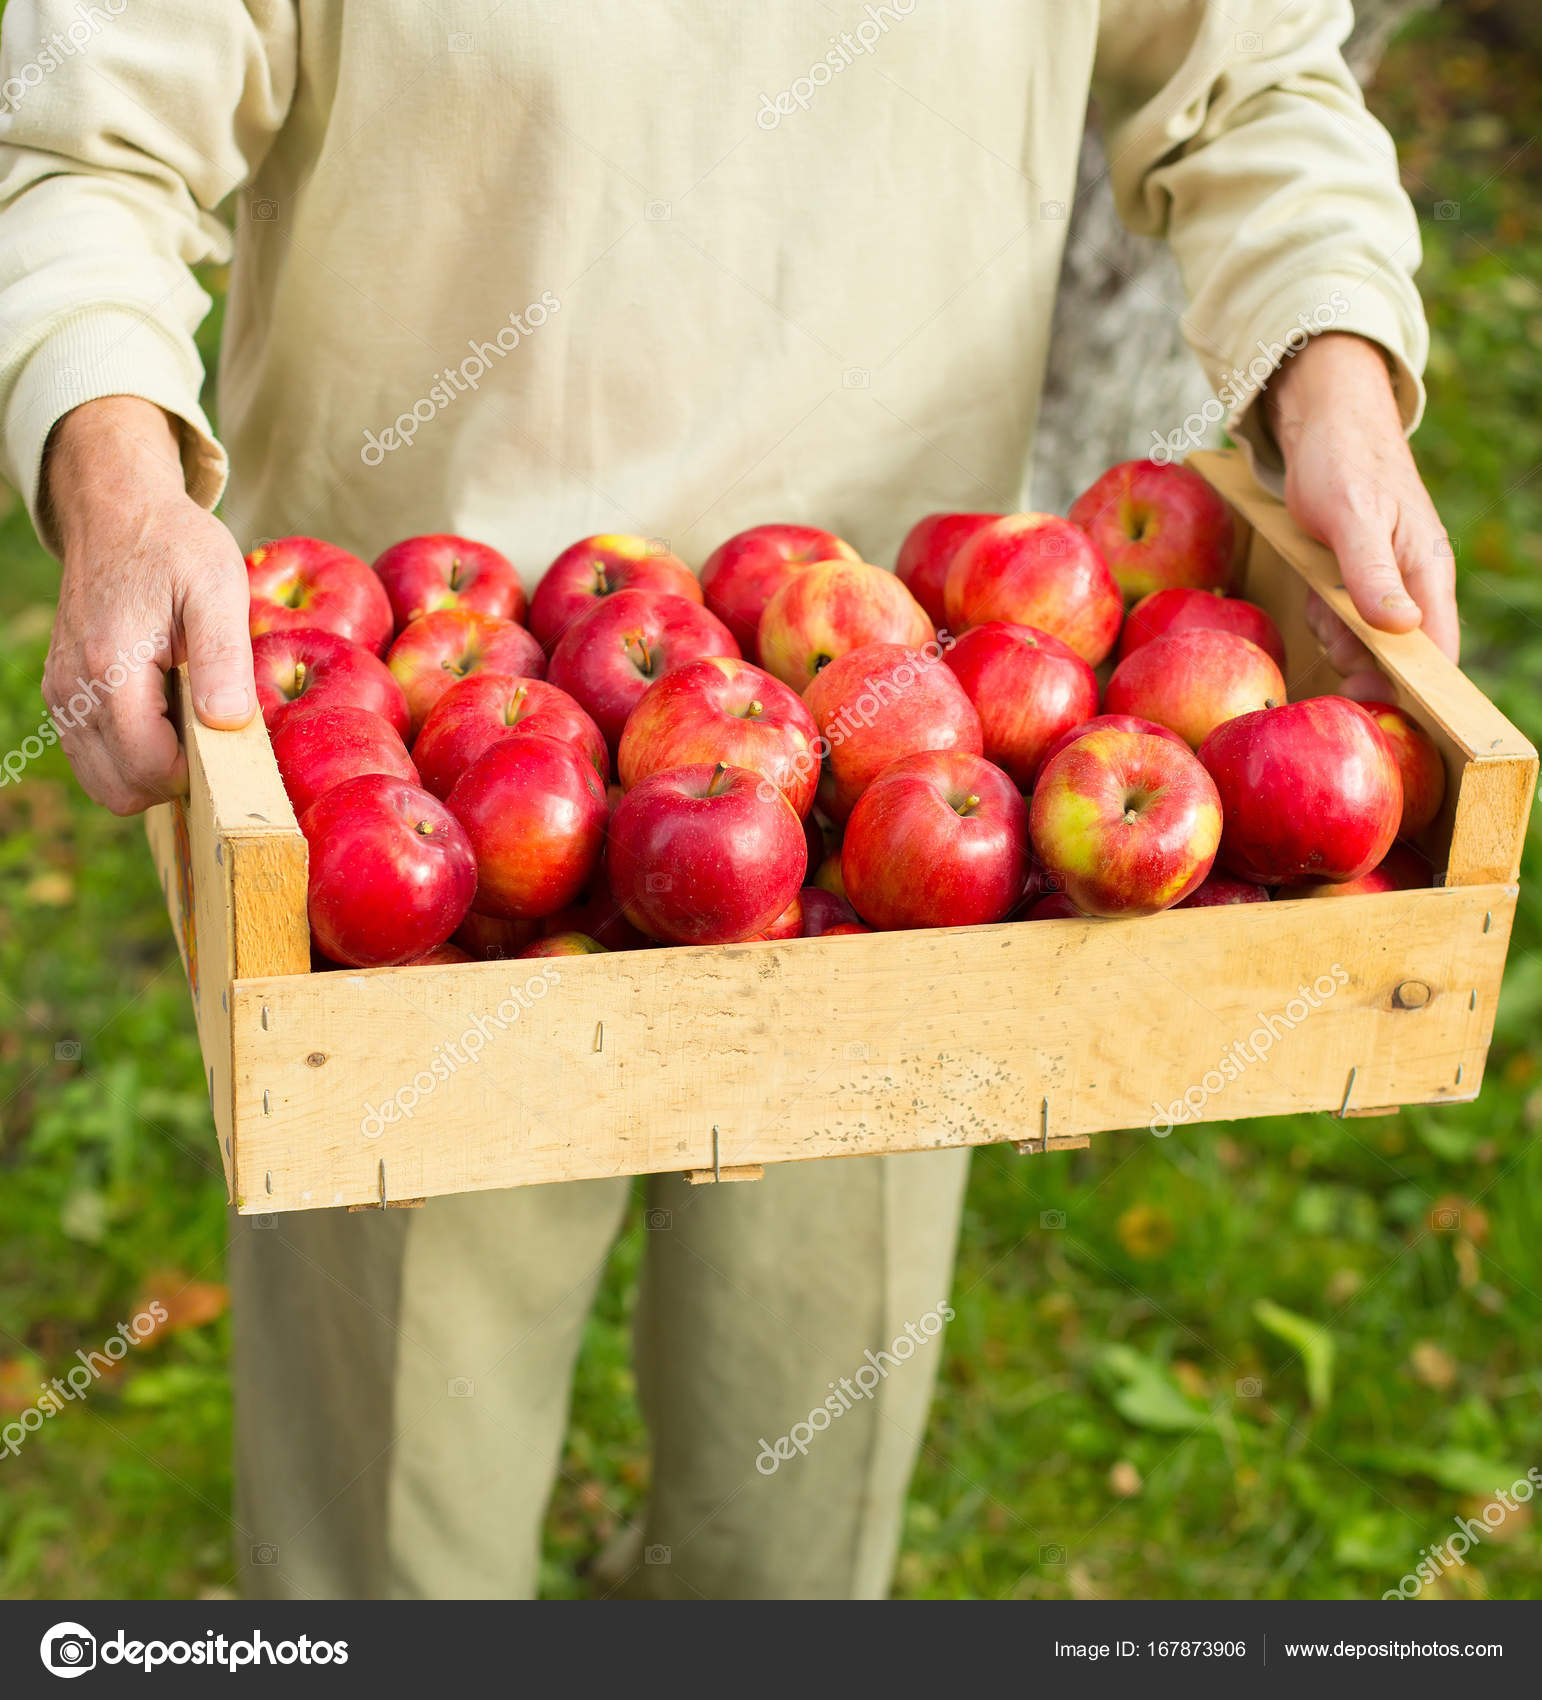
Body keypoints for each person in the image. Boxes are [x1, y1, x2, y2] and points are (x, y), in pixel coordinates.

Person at [0, 1, 1455, 1600]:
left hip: (919, 738)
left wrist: (1331, 370)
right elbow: (87, 137)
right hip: (414, 751)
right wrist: (116, 484)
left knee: (795, 1506)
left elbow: (1246, 73)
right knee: (394, 1521)